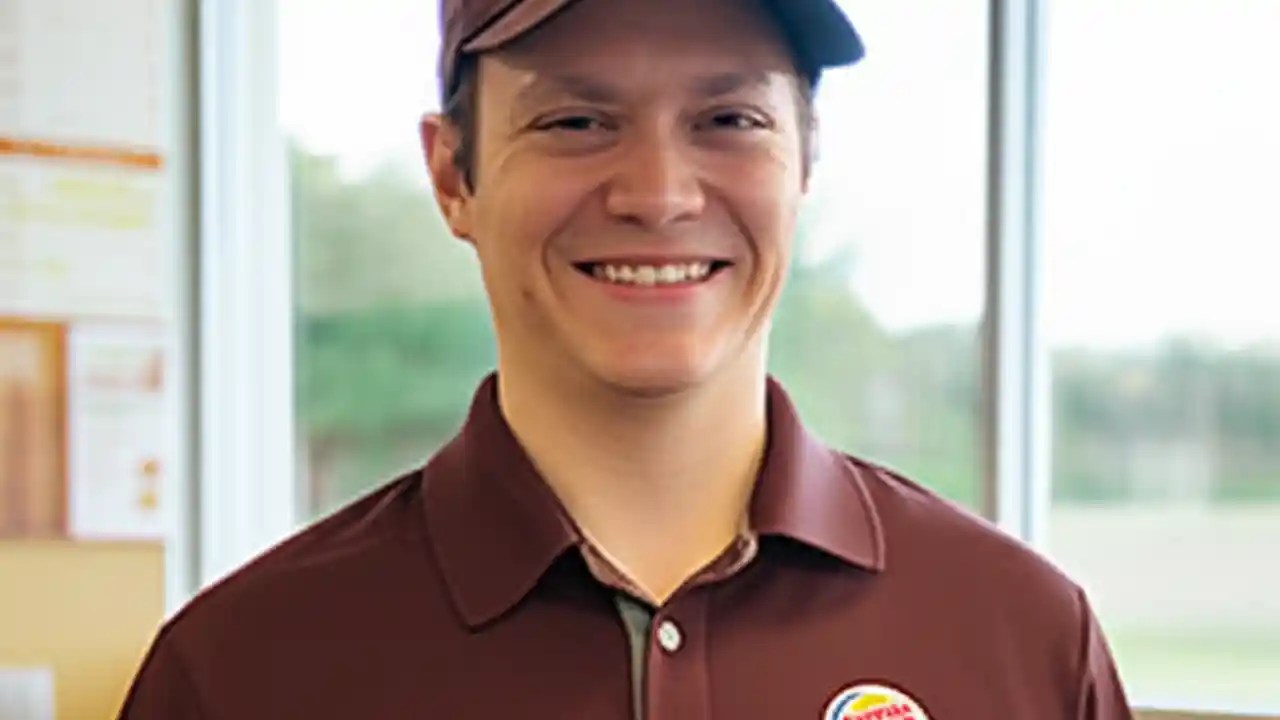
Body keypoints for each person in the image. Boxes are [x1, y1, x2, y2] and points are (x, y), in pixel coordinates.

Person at [120, 0, 1135, 717]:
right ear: (452, 176)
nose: (658, 194)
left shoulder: (1021, 636)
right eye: (575, 121)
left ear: (805, 159)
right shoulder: (244, 671)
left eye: (728, 120)